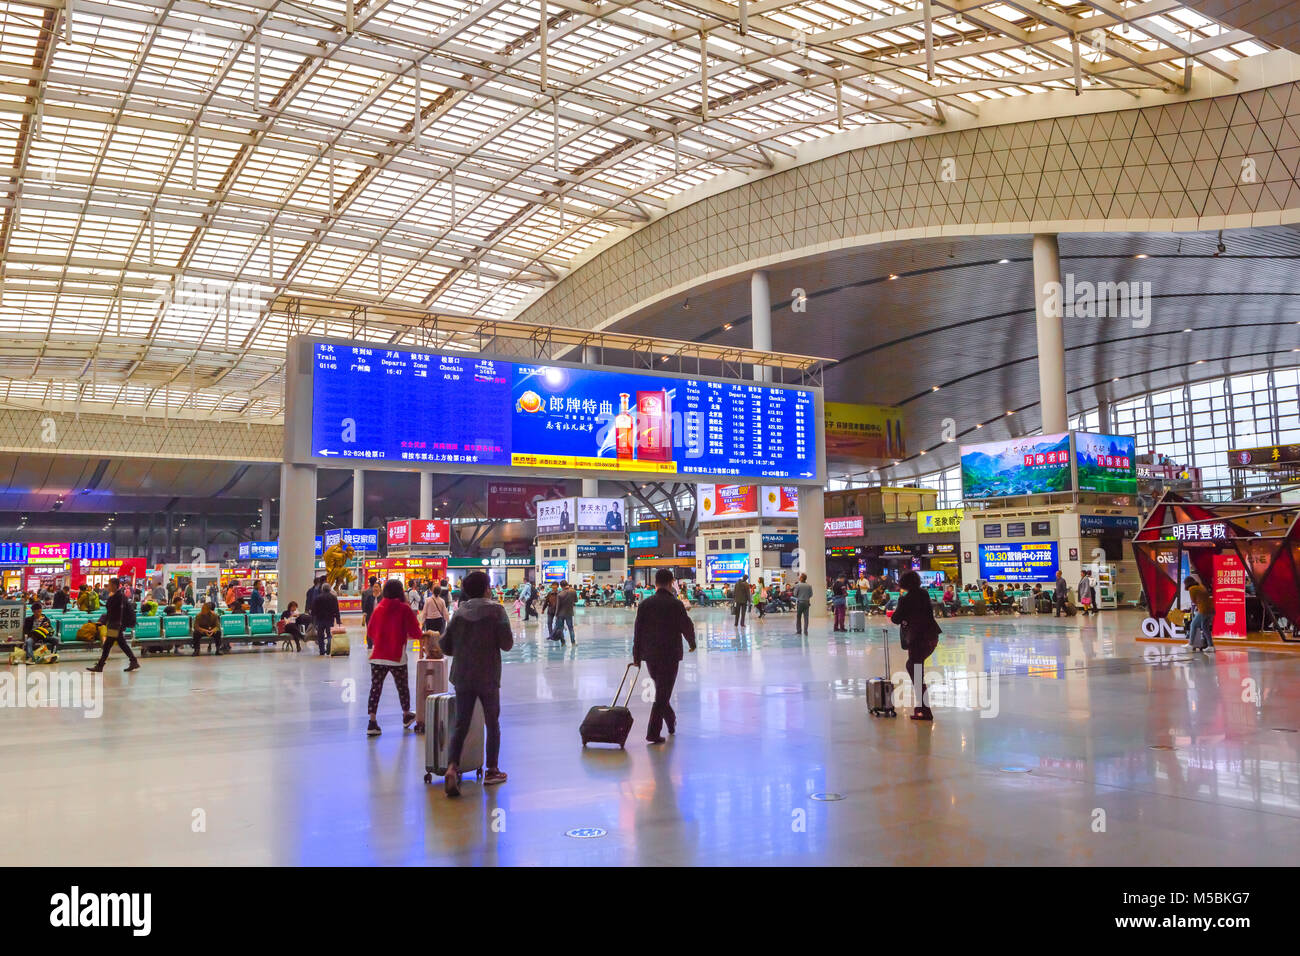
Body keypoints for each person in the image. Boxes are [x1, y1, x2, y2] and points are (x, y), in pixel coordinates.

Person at [438, 571, 513, 795]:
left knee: (461, 723)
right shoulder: (497, 610)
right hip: (488, 675)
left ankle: (452, 767)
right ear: (487, 588)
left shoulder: (459, 613)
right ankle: (492, 770)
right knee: (492, 723)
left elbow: (445, 646)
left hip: (462, 675)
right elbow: (507, 643)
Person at [632, 568, 697, 744]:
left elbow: (638, 631)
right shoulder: (675, 604)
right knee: (662, 692)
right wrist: (692, 643)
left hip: (650, 655)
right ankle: (653, 732)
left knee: (661, 691)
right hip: (670, 654)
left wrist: (636, 656)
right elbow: (686, 625)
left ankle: (670, 720)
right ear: (671, 583)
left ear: (655, 583)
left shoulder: (645, 604)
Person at [365, 579, 421, 736]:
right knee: (402, 687)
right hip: (397, 657)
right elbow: (416, 632)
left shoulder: (379, 607)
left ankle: (372, 722)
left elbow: (370, 632)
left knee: (375, 689)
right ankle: (405, 715)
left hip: (377, 657)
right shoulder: (404, 609)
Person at [892, 570, 941, 721]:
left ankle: (925, 710)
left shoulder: (905, 599)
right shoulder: (924, 594)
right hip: (931, 636)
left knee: (915, 669)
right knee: (914, 667)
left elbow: (896, 618)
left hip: (917, 638)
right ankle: (922, 707)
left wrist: (899, 609)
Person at [87, 576, 140, 673]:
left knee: (108, 645)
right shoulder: (117, 596)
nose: (108, 587)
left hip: (116, 625)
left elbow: (119, 612)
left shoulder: (119, 597)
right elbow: (112, 611)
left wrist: (117, 624)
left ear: (115, 586)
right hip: (115, 624)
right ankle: (133, 661)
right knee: (120, 644)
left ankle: (100, 665)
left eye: (110, 585)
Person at [1186, 577, 1215, 653]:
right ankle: (1211, 646)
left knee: (1193, 625)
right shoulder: (1201, 586)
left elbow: (1193, 601)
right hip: (1211, 610)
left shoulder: (1191, 589)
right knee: (1205, 628)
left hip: (1203, 610)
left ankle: (1191, 644)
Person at [311, 582, 341, 655]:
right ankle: (329, 645)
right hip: (330, 619)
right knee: (329, 634)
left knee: (320, 635)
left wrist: (313, 620)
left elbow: (314, 610)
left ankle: (322, 650)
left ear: (322, 589)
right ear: (330, 589)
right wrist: (338, 619)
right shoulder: (333, 597)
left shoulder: (318, 598)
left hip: (320, 619)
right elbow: (336, 609)